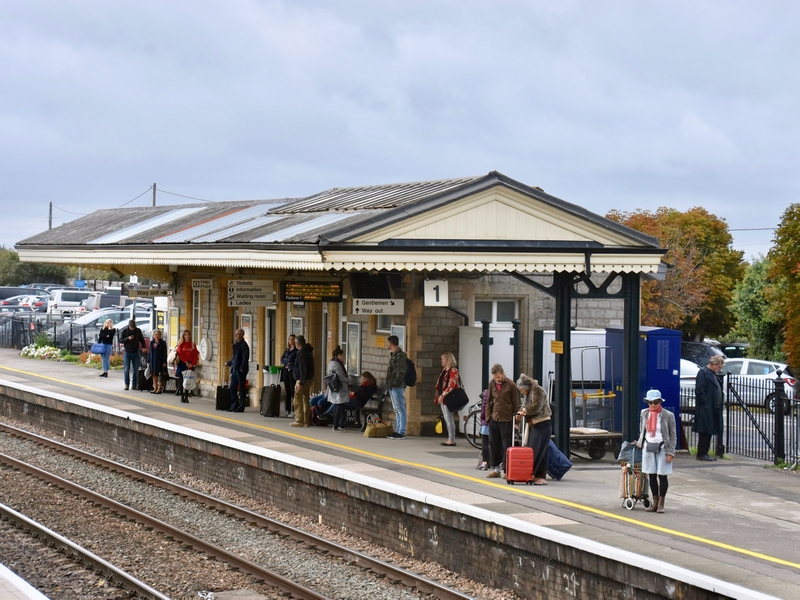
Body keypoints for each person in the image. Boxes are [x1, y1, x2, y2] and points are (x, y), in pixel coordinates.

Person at [636, 389, 677, 513]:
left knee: (662, 475)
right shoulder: (644, 413)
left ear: (660, 402)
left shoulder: (668, 415)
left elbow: (673, 434)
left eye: (656, 402)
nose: (653, 405)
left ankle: (661, 504)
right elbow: (642, 429)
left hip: (663, 447)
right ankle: (655, 502)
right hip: (648, 446)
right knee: (651, 475)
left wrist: (671, 452)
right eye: (650, 402)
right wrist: (640, 442)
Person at [486, 364, 519, 478]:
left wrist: (516, 422)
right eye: (495, 377)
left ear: (503, 373)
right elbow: (488, 400)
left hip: (507, 418)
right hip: (494, 417)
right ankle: (496, 469)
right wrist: (487, 417)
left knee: (506, 445)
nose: (497, 379)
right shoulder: (492, 384)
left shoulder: (511, 385)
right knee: (494, 444)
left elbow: (515, 403)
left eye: (498, 377)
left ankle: (506, 470)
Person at [516, 374, 550, 485]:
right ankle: (535, 474)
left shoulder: (538, 391)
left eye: (521, 389)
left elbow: (536, 406)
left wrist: (525, 411)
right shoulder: (529, 393)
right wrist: (520, 413)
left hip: (542, 423)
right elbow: (524, 406)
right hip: (534, 424)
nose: (521, 392)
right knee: (533, 450)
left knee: (540, 451)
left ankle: (541, 476)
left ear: (526, 387)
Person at [695, 355, 725, 461]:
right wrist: (706, 404)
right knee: (705, 431)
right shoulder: (703, 373)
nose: (719, 369)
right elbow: (700, 390)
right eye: (719, 367)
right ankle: (702, 453)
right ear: (714, 364)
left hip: (712, 407)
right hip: (706, 408)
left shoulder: (712, 374)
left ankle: (705, 452)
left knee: (709, 430)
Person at [435, 352, 461, 447]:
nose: (442, 360)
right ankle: (450, 438)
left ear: (448, 359)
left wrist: (443, 394)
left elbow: (452, 385)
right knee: (446, 417)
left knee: (449, 418)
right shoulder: (444, 370)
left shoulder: (453, 370)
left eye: (443, 359)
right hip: (443, 397)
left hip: (448, 397)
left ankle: (451, 439)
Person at [385, 335, 408, 440]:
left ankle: (401, 431)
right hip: (392, 385)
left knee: (400, 409)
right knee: (396, 409)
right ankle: (398, 430)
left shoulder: (400, 356)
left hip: (397, 386)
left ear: (391, 343)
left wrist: (395, 382)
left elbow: (401, 371)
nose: (387, 345)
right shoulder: (393, 355)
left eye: (388, 343)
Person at [291, 335, 314, 427]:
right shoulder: (308, 351)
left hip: (302, 379)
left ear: (297, 343)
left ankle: (299, 419)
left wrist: (301, 382)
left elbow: (302, 368)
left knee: (297, 399)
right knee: (305, 399)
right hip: (308, 379)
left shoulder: (302, 354)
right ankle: (306, 421)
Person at [226, 328, 250, 412]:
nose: (236, 336)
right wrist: (229, 363)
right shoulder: (236, 345)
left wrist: (242, 368)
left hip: (240, 370)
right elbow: (234, 358)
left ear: (242, 335)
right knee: (232, 387)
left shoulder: (244, 345)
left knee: (241, 388)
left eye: (238, 334)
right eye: (235, 334)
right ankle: (234, 404)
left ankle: (241, 406)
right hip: (235, 368)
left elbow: (245, 358)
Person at [326, 347, 350, 432]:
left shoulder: (331, 363)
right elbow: (341, 377)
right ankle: (336, 425)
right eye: (342, 356)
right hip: (340, 388)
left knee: (338, 406)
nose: (342, 358)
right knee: (338, 406)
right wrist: (350, 380)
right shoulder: (337, 364)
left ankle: (339, 425)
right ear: (338, 355)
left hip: (334, 387)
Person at [120, 319, 146, 391]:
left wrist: (144, 347)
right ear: (129, 326)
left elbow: (142, 340)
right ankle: (126, 384)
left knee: (135, 369)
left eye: (133, 327)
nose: (132, 328)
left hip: (136, 351)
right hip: (127, 352)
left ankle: (134, 384)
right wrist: (128, 338)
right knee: (126, 369)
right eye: (131, 327)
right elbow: (121, 340)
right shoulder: (125, 331)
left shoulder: (138, 331)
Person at [175, 330, 199, 403]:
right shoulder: (181, 344)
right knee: (181, 380)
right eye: (185, 335)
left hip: (190, 364)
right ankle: (182, 396)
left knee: (188, 380)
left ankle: (186, 396)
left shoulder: (192, 344)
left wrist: (192, 363)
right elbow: (180, 353)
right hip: (182, 363)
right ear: (183, 336)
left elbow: (195, 354)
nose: (187, 336)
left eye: (188, 334)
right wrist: (186, 362)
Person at [280, 334, 298, 417]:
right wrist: (286, 362)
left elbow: (291, 359)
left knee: (292, 391)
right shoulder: (287, 349)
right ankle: (287, 409)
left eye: (292, 339)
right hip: (285, 371)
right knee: (287, 391)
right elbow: (281, 358)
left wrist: (287, 361)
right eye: (289, 339)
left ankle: (294, 410)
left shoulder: (295, 351)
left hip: (291, 371)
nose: (291, 341)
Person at [148, 329, 168, 395]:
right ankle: (155, 387)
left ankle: (159, 389)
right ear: (153, 335)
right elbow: (149, 352)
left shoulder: (163, 343)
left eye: (158, 335)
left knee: (160, 375)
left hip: (160, 361)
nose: (157, 336)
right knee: (154, 374)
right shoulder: (151, 343)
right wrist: (148, 361)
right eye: (155, 334)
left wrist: (164, 362)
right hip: (153, 361)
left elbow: (165, 353)